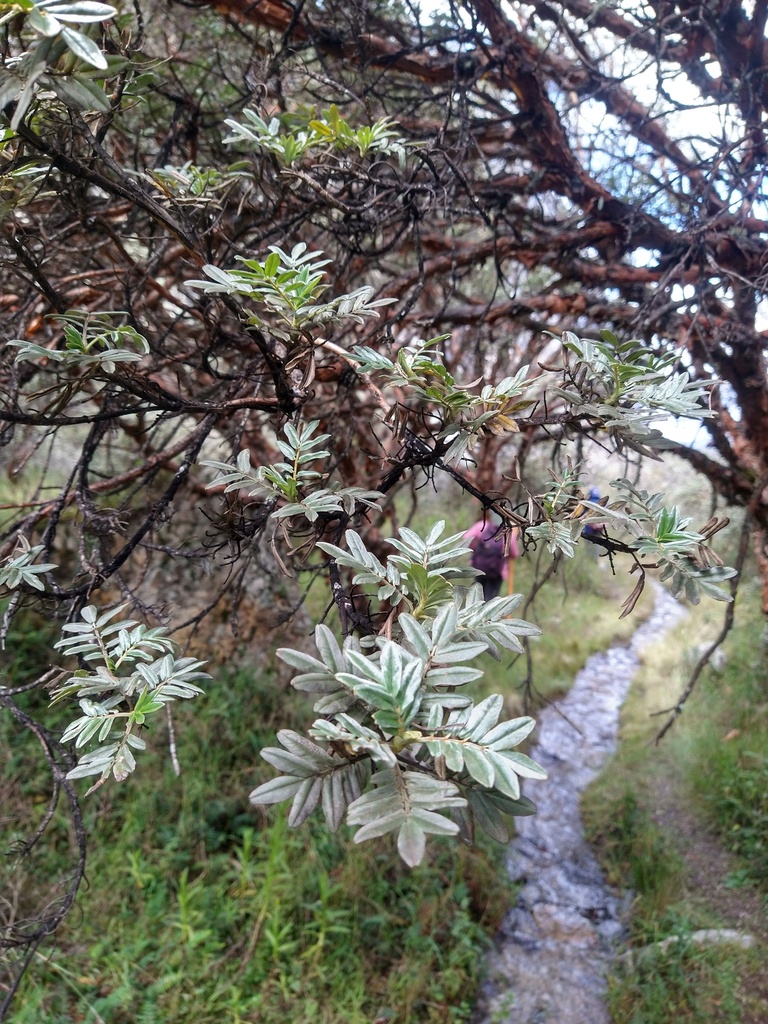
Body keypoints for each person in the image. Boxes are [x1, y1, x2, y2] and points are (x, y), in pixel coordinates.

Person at [465, 516, 519, 601]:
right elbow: (514, 554)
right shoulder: (509, 534)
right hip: (497, 572)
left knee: (477, 595)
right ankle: (486, 613)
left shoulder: (482, 525)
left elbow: (466, 537)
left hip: (479, 568)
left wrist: (475, 550)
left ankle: (475, 612)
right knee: (490, 599)